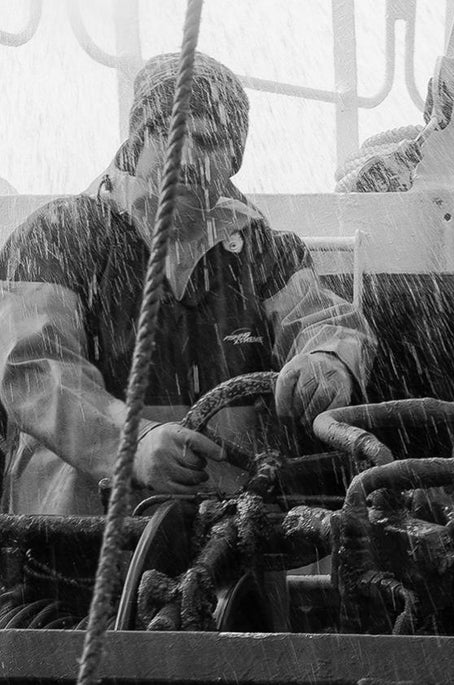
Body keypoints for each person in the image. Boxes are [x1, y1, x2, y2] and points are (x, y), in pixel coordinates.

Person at [0, 52, 375, 515]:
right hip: (77, 540)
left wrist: (327, 357)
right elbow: (36, 372)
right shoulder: (55, 236)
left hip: (235, 531)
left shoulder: (269, 252)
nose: (186, 155)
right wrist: (130, 446)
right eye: (168, 132)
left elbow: (327, 321)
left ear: (233, 160)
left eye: (210, 141)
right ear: (138, 140)